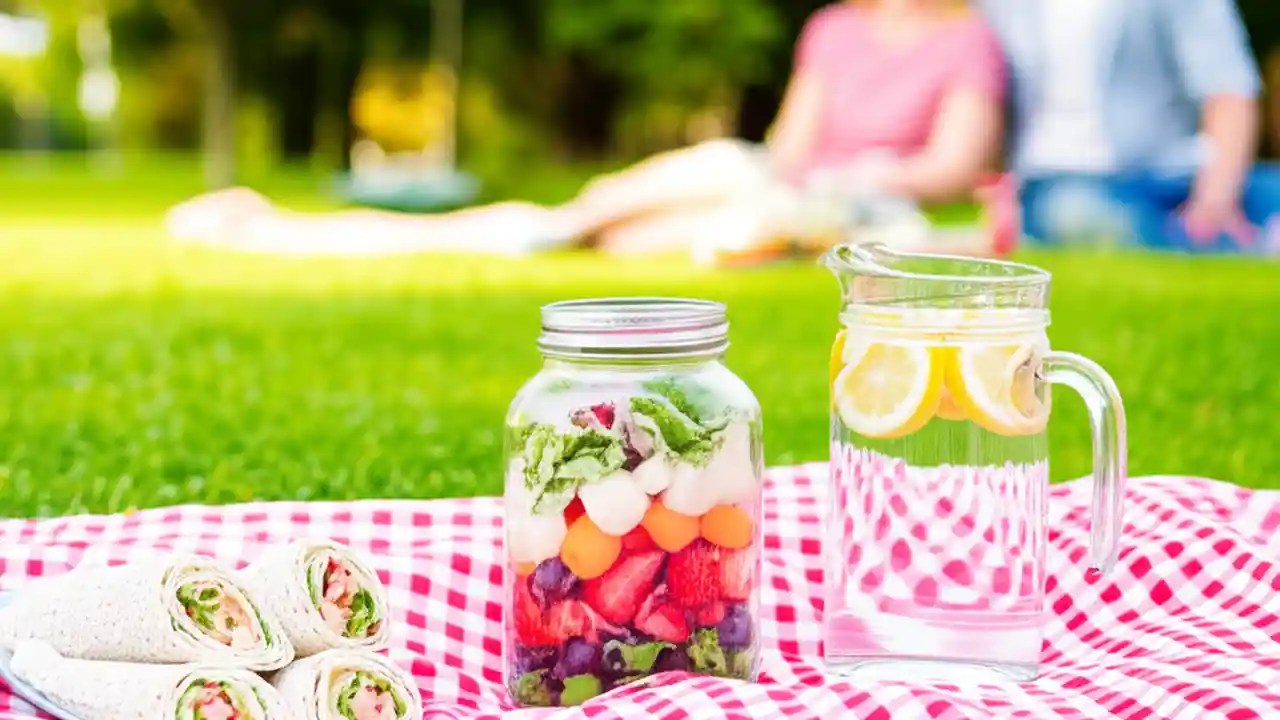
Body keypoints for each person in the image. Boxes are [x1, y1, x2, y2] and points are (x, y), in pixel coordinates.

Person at [168, 0, 1008, 263]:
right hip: (778, 181)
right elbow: (789, 146)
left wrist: (853, 175)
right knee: (583, 220)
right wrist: (800, 175)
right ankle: (280, 231)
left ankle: (281, 232)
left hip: (861, 205)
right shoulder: (835, 27)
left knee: (622, 246)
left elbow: (951, 167)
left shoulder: (968, 36)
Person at [978, 0, 1280, 252]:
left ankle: (1205, 242)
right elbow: (986, 95)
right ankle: (1235, 247)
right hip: (1061, 179)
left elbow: (1228, 91)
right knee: (1076, 212)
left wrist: (1214, 202)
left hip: (1176, 172)